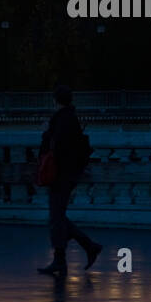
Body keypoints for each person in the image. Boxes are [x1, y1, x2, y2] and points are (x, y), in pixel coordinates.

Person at [38, 84, 102, 276]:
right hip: (68, 174)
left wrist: (45, 132)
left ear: (55, 101)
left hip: (60, 175)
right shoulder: (71, 119)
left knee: (56, 217)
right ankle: (84, 248)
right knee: (58, 216)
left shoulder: (60, 120)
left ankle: (66, 257)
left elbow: (53, 148)